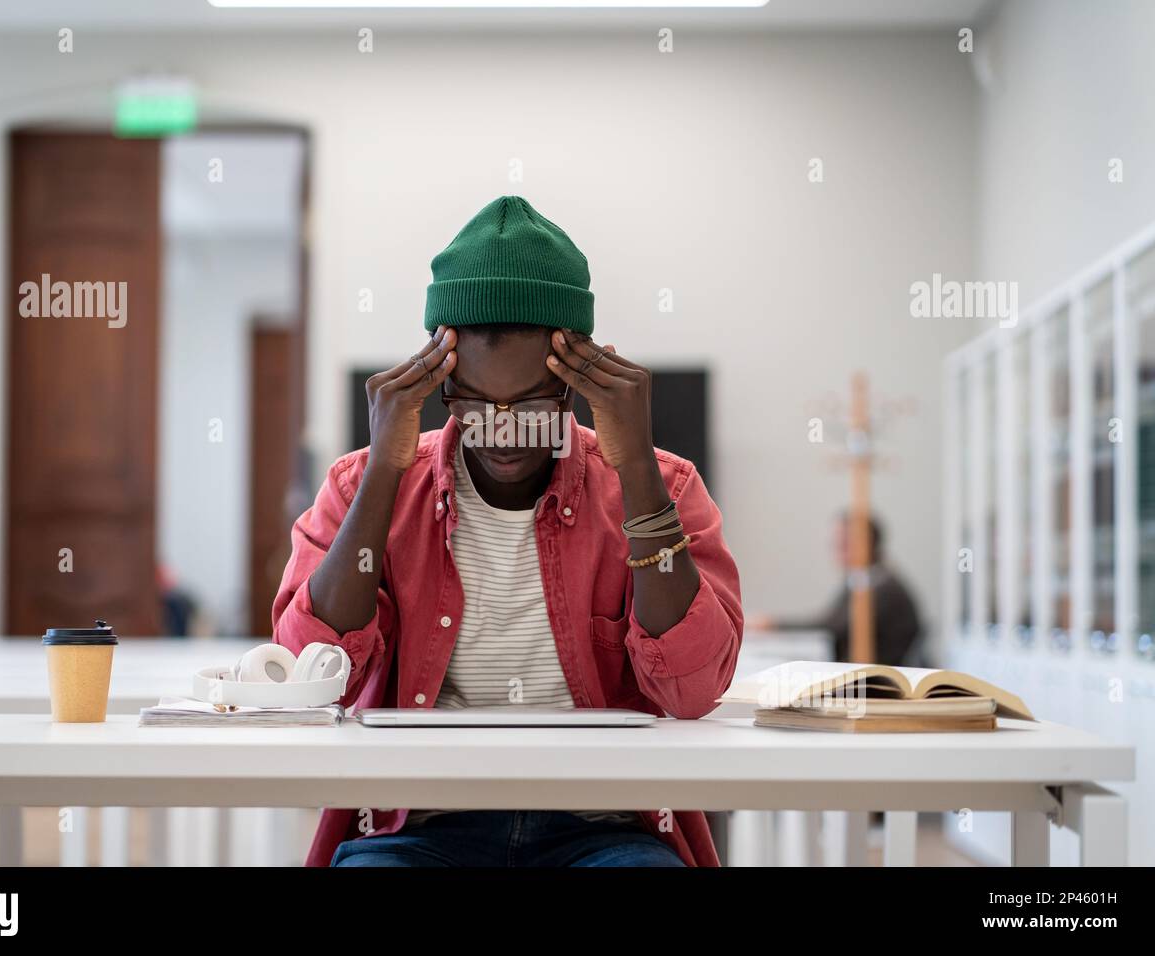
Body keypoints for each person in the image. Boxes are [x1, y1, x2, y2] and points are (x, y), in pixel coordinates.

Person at [272, 196, 743, 867]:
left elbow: (692, 693)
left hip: (604, 828)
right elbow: (309, 681)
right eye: (474, 403)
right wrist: (385, 469)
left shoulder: (660, 483)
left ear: (572, 383)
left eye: (530, 404)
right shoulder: (361, 485)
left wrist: (636, 464)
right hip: (421, 826)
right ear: (442, 383)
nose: (503, 431)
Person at [748, 513, 922, 665]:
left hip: (880, 685)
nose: (837, 551)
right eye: (837, 544)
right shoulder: (864, 579)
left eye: (844, 544)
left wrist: (774, 625)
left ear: (866, 543)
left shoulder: (880, 586)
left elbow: (831, 627)